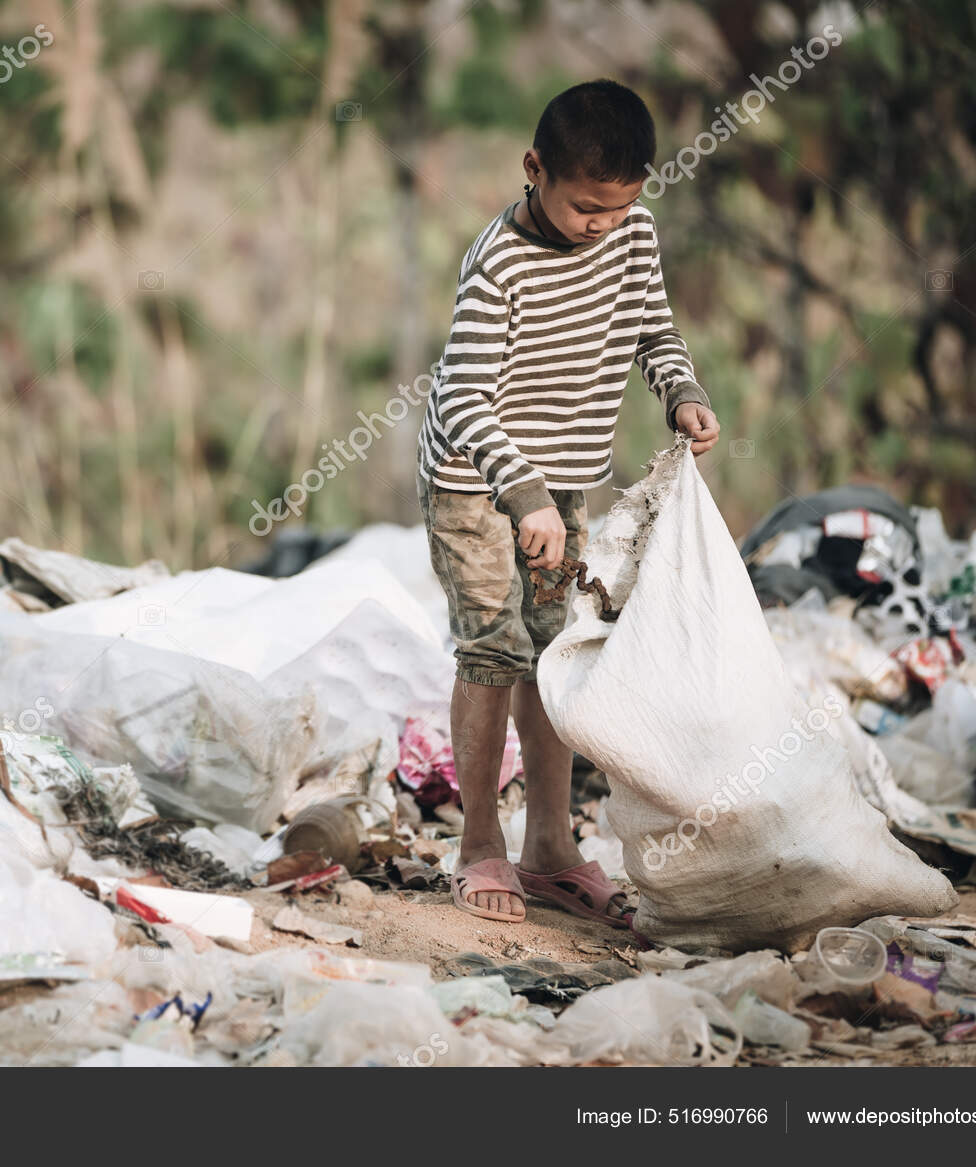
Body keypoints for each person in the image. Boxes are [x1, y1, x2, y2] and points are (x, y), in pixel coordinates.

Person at [416, 79, 720, 926]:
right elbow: (464, 398)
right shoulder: (498, 265)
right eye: (586, 207)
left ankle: (550, 848)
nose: (602, 226)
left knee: (557, 651)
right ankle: (480, 842)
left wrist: (681, 391)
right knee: (495, 648)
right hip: (475, 482)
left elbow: (654, 328)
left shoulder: (632, 236)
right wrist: (523, 496)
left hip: (562, 481)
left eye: (619, 208)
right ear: (534, 169)